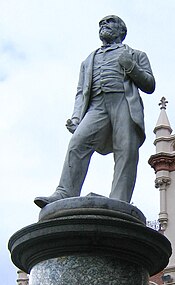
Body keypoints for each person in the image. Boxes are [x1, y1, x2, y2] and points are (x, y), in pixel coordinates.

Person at [34, 15, 155, 208]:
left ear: (122, 31)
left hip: (123, 103)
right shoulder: (88, 60)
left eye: (109, 22)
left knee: (126, 151)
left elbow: (149, 84)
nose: (103, 25)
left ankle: (119, 200)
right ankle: (64, 192)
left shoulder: (135, 54)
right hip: (96, 106)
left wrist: (130, 66)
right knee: (77, 143)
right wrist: (76, 118)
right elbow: (81, 92)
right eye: (101, 23)